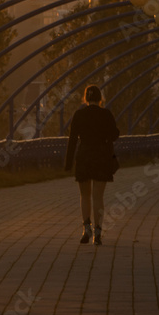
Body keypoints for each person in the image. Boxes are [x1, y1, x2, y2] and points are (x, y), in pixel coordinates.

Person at [64, 85, 119, 245]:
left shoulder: (79, 115)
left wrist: (68, 163)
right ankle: (98, 231)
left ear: (85, 98)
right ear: (100, 98)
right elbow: (114, 135)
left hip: (84, 157)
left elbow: (73, 140)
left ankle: (86, 228)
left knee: (85, 195)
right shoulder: (106, 114)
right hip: (101, 157)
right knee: (98, 196)